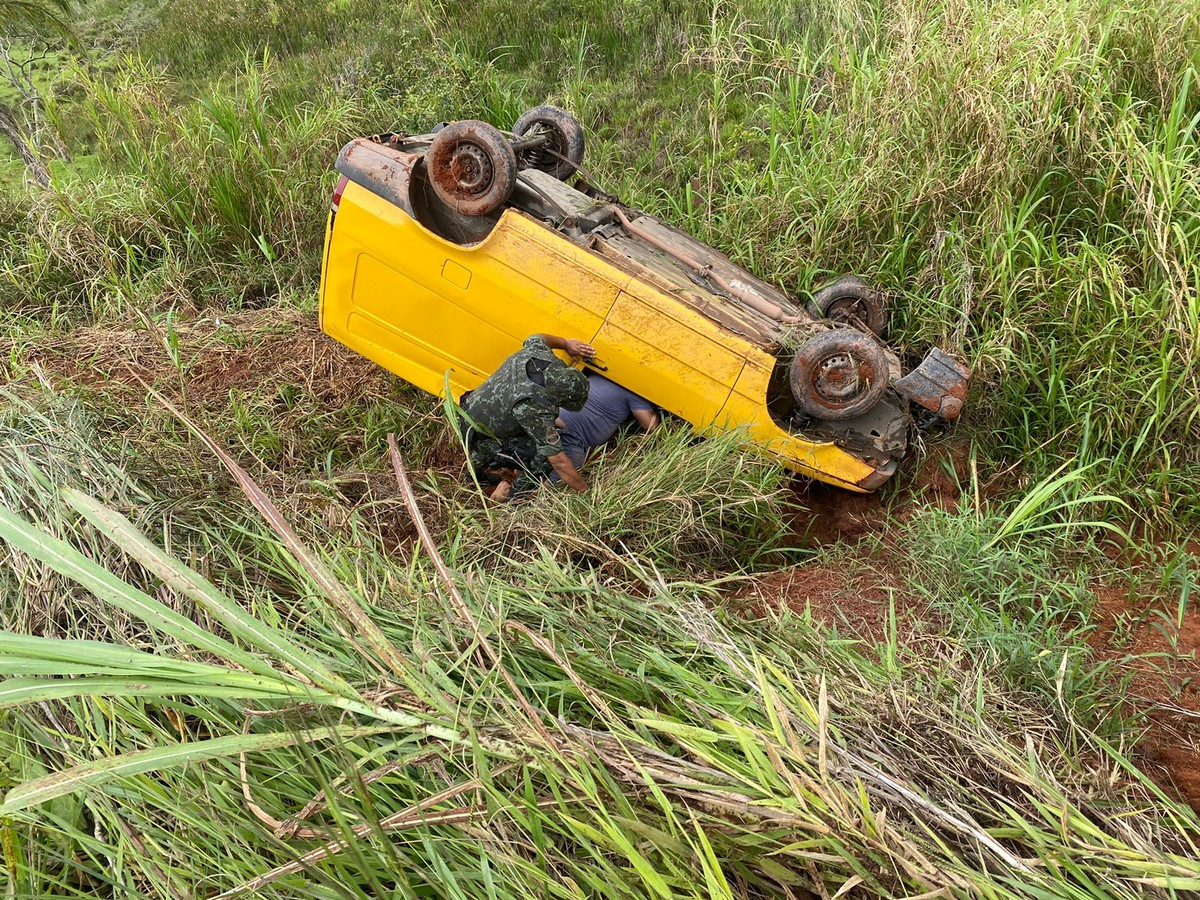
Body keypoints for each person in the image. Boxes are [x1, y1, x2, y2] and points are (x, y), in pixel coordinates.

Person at [459, 333, 594, 500]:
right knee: (543, 457)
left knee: (488, 437)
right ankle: (514, 497)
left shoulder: (538, 352)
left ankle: (470, 476)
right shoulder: (536, 407)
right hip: (485, 432)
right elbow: (558, 461)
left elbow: (537, 336)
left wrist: (566, 343)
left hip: (467, 412)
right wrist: (585, 491)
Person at [550, 374, 659, 483]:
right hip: (569, 434)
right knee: (570, 473)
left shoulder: (599, 375)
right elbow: (651, 426)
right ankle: (540, 494)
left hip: (550, 421)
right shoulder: (633, 392)